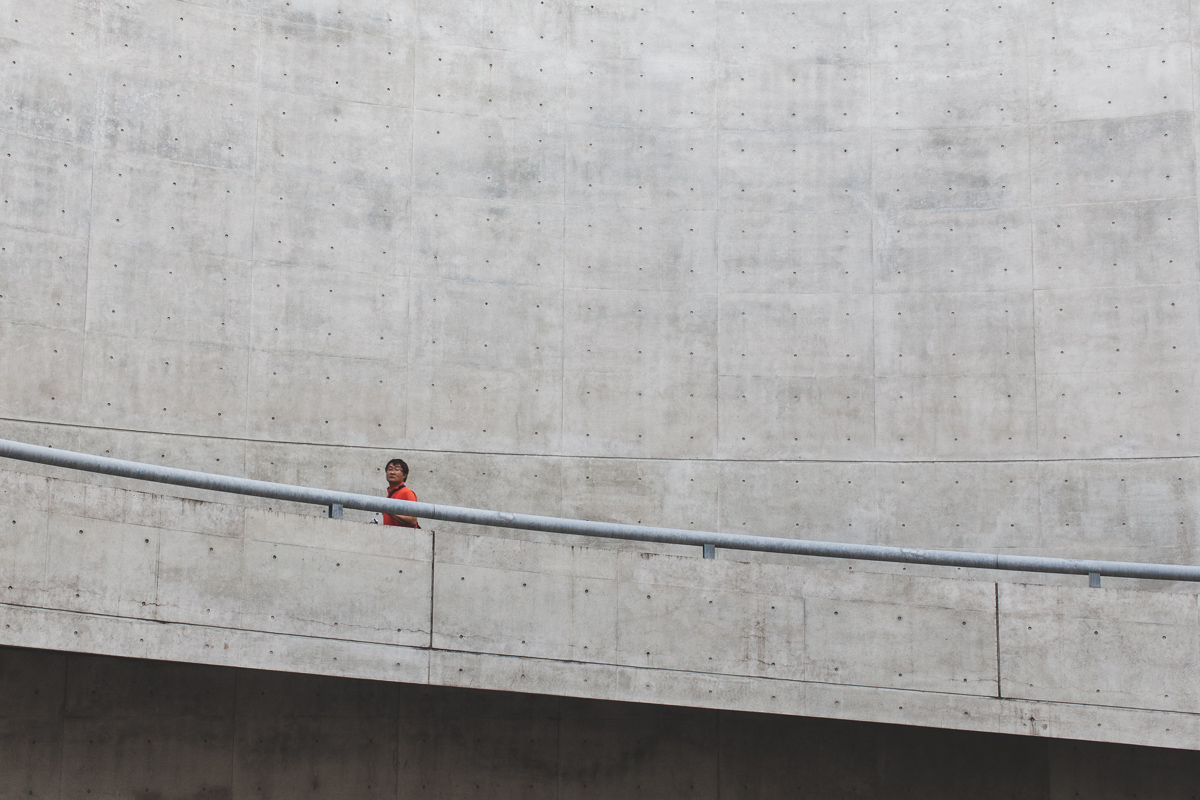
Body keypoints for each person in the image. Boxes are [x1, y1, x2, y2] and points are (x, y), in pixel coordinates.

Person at [382, 458, 420, 528]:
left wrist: (389, 511)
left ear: (404, 475)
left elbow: (413, 521)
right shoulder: (390, 494)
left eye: (397, 470)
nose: (392, 472)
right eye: (390, 469)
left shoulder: (407, 492)